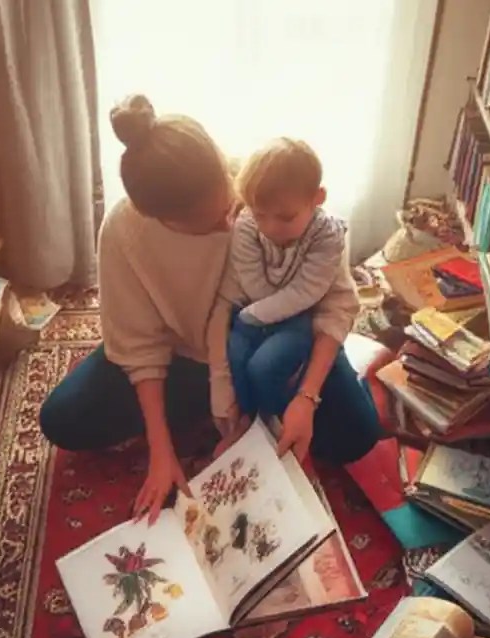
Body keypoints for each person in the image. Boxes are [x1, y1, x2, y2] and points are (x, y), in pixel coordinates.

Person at [38, 94, 381, 523]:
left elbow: (336, 299)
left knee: (356, 436)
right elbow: (140, 347)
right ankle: (230, 411)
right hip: (191, 359)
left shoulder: (262, 184)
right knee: (63, 420)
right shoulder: (126, 231)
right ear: (160, 218)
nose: (231, 224)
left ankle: (253, 404)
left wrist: (308, 396)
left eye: (232, 207)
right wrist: (161, 452)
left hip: (280, 340)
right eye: (213, 222)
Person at [226, 138, 347, 422]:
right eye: (260, 216)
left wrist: (251, 317)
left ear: (318, 198)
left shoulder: (328, 235)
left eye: (285, 217)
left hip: (297, 315)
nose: (270, 228)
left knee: (264, 367)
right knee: (234, 357)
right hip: (253, 312)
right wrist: (251, 317)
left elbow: (307, 292)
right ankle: (249, 419)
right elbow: (253, 283)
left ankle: (275, 421)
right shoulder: (246, 224)